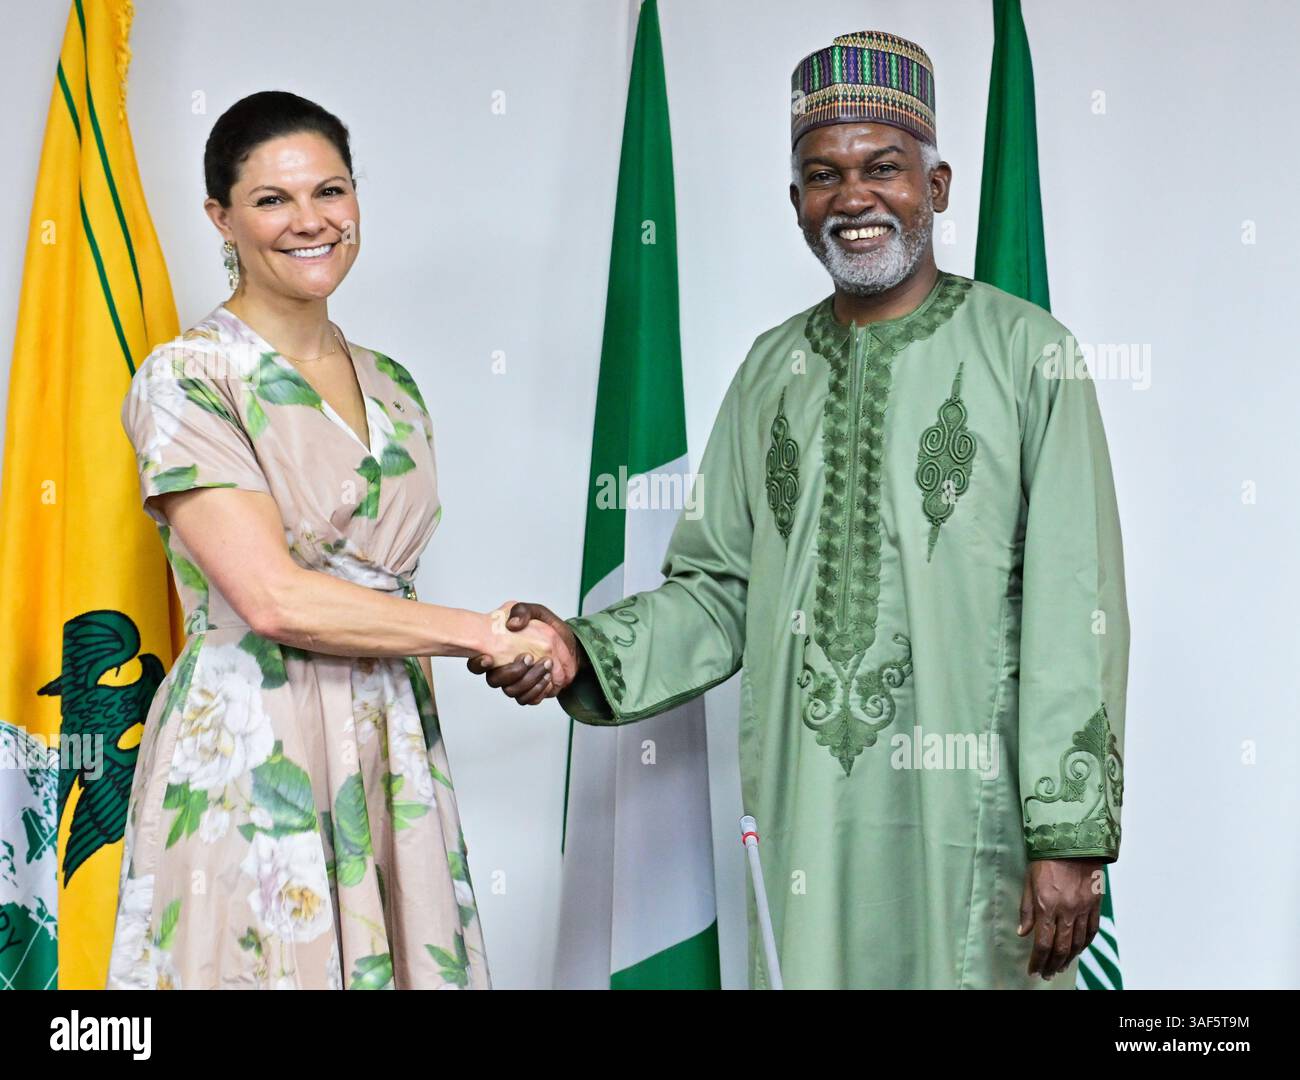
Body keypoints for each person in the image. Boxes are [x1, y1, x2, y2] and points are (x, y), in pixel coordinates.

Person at [472, 31, 1129, 989]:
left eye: (883, 168)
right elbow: (717, 591)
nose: (853, 197)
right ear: (795, 204)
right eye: (823, 175)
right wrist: (580, 647)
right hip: (807, 808)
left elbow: (1079, 599)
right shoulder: (769, 370)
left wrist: (1067, 832)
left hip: (976, 816)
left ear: (936, 188)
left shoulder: (1032, 355)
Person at [107, 91, 571, 990]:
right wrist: (483, 630)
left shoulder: (392, 383)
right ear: (222, 218)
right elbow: (273, 598)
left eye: (332, 191)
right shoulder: (187, 379)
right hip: (252, 744)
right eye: (273, 200)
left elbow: (392, 599)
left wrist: (434, 744)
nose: (311, 220)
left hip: (390, 744)